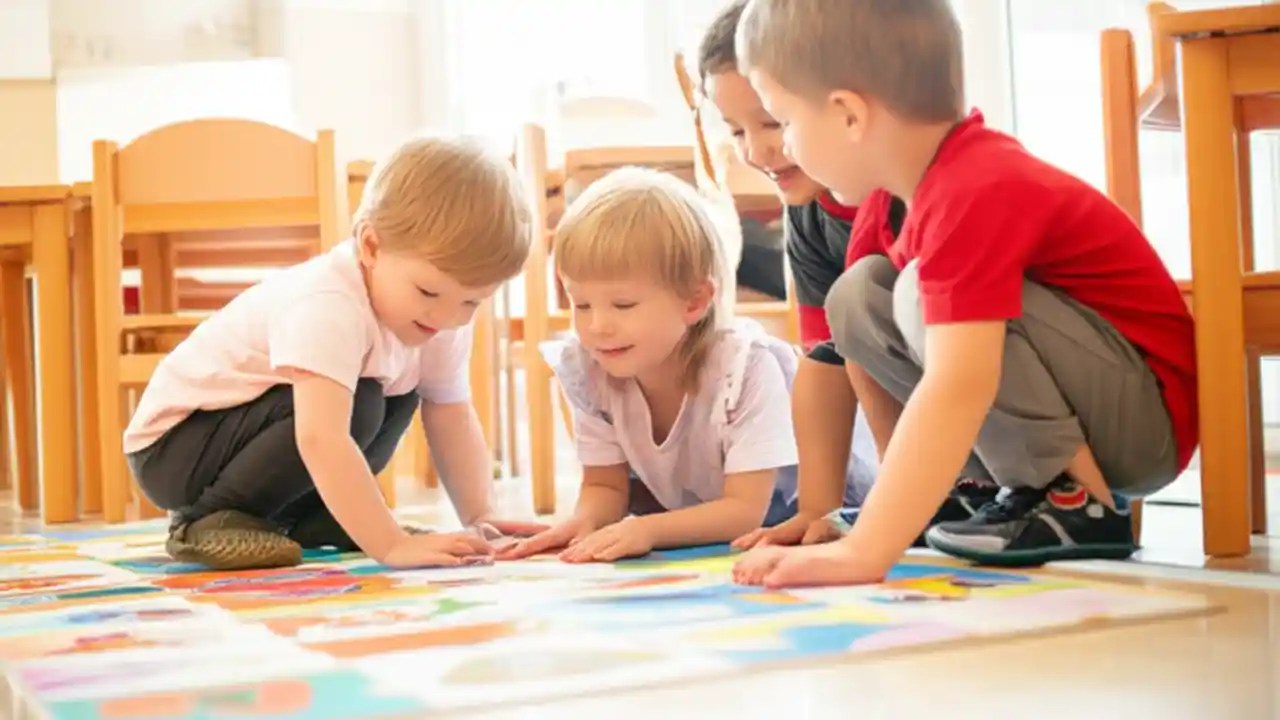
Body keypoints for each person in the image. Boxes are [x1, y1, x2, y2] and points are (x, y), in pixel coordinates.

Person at [732, 0, 1197, 586]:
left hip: (1141, 423)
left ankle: (1079, 499)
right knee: (858, 295)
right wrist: (894, 510)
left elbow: (961, 381)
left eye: (784, 121)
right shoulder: (888, 203)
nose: (787, 148)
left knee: (921, 294)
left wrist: (865, 552)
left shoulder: (975, 187)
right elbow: (865, 362)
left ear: (849, 114)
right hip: (1084, 402)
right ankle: (971, 488)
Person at [124, 134, 547, 571]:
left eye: (471, 302)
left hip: (248, 435)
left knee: (401, 394)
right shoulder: (329, 302)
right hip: (173, 450)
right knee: (359, 404)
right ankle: (198, 521)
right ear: (370, 247)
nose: (448, 316)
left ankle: (311, 517)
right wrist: (390, 544)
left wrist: (481, 515)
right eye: (427, 291)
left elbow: (450, 412)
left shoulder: (441, 313)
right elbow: (319, 437)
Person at [500, 167, 815, 563]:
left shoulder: (746, 368)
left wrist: (647, 529)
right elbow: (605, 487)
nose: (597, 326)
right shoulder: (591, 369)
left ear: (694, 301)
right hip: (718, 535)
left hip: (808, 522)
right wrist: (582, 522)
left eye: (623, 305)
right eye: (581, 304)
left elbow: (744, 512)